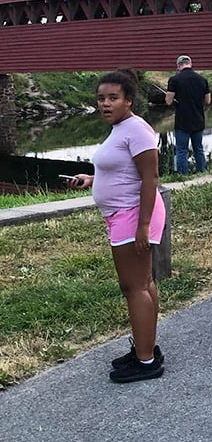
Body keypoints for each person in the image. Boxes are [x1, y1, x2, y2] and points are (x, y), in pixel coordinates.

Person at [69, 71, 166, 383]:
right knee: (143, 283)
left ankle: (146, 362)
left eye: (113, 98)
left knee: (133, 287)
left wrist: (144, 225)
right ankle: (146, 347)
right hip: (125, 212)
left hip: (133, 214)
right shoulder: (122, 128)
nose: (105, 104)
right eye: (101, 98)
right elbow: (125, 172)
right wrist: (93, 180)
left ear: (129, 100)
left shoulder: (137, 130)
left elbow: (150, 179)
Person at [166, 55, 211, 174]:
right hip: (198, 119)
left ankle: (183, 176)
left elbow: (168, 101)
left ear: (178, 66)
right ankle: (202, 173)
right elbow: (207, 101)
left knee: (181, 151)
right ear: (190, 64)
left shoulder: (174, 80)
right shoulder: (202, 80)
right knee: (199, 149)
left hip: (182, 121)